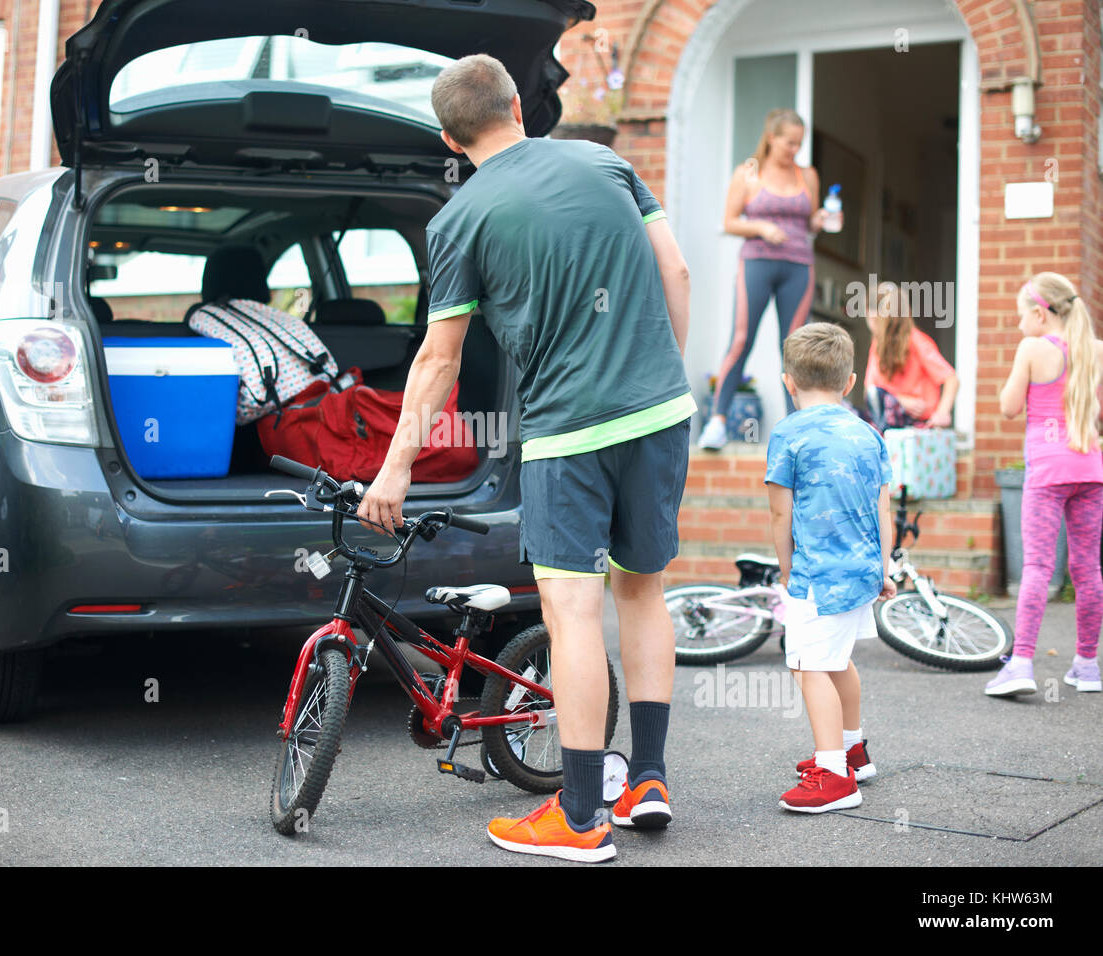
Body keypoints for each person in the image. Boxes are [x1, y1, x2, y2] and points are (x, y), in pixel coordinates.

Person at [357, 54, 695, 862]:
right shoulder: (605, 162)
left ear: (448, 136)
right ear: (519, 104)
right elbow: (675, 270)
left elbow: (439, 362)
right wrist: (661, 380)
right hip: (660, 412)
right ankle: (645, 778)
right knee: (643, 593)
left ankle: (579, 818)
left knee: (571, 613)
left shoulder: (458, 221)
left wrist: (397, 463)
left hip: (568, 435)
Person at [765, 323, 895, 812]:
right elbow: (884, 508)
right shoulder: (869, 434)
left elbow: (781, 512)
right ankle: (853, 750)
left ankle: (835, 776)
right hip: (863, 568)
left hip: (817, 574)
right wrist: (883, 568)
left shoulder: (787, 434)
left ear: (788, 381)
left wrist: (785, 567)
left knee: (808, 664)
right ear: (849, 382)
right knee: (837, 660)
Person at [985, 273, 1103, 697]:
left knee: (1036, 567)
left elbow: (1010, 407)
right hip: (1090, 471)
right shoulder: (1096, 352)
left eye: (1021, 316)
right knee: (1088, 569)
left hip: (1047, 474)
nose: (1019, 326)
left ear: (1039, 313)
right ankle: (1087, 666)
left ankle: (1020, 665)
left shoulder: (1032, 348)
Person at [699, 108, 830, 450]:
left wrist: (823, 219)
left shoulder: (808, 175)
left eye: (799, 144)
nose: (794, 150)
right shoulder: (748, 172)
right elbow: (728, 222)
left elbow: (810, 222)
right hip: (756, 263)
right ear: (772, 137)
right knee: (741, 340)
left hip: (798, 267)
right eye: (789, 143)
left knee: (794, 348)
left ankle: (797, 428)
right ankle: (717, 421)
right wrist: (760, 226)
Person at [863, 280, 959, 431]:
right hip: (891, 421)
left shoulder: (916, 341)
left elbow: (951, 379)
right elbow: (871, 391)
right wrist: (901, 401)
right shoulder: (877, 344)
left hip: (919, 421)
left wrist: (942, 412)